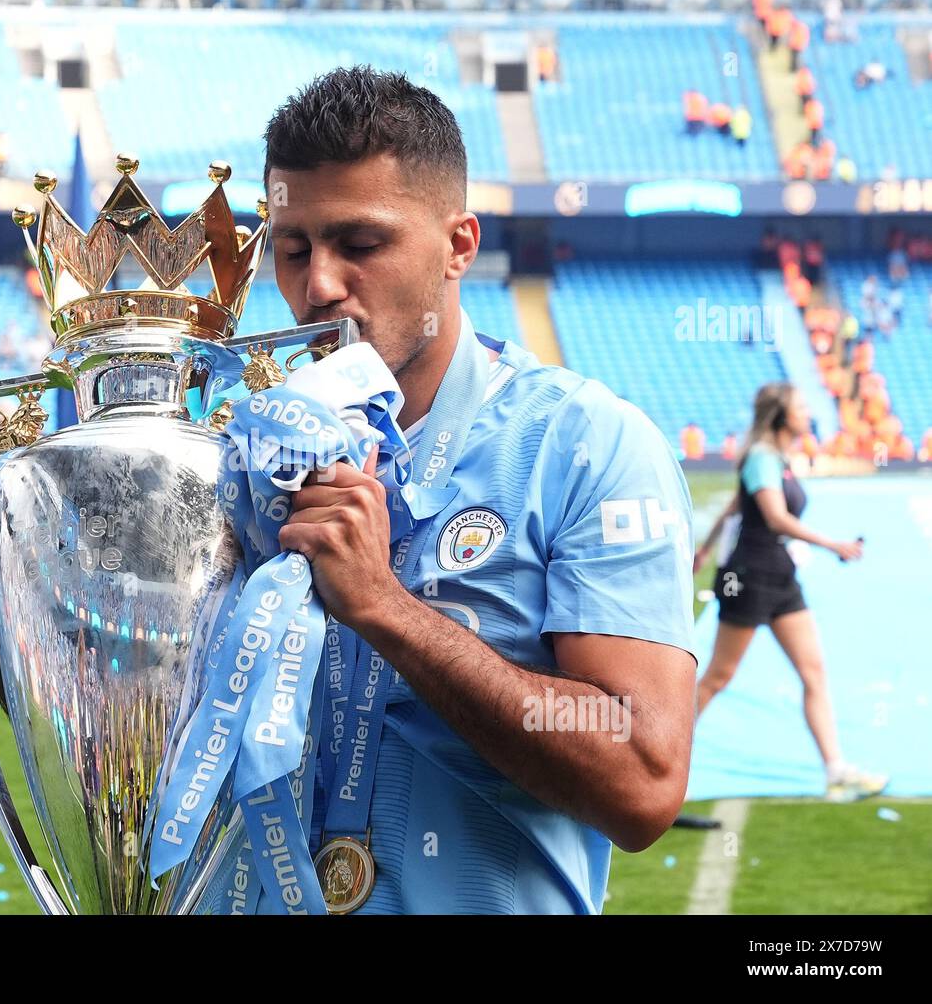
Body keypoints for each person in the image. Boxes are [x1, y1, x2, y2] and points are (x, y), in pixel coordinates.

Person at [218, 66, 696, 914]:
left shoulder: (583, 445)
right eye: (292, 249)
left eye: (360, 244)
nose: (318, 285)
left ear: (459, 245)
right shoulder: (244, 458)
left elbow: (642, 777)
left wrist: (388, 610)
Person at [692, 384, 886, 803]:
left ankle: (836, 770)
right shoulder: (762, 457)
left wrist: (704, 547)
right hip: (748, 576)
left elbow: (733, 507)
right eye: (800, 407)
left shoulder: (776, 458)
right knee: (719, 676)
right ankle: (660, 752)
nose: (807, 413)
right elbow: (775, 518)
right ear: (781, 416)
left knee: (813, 671)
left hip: (780, 576)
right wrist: (833, 544)